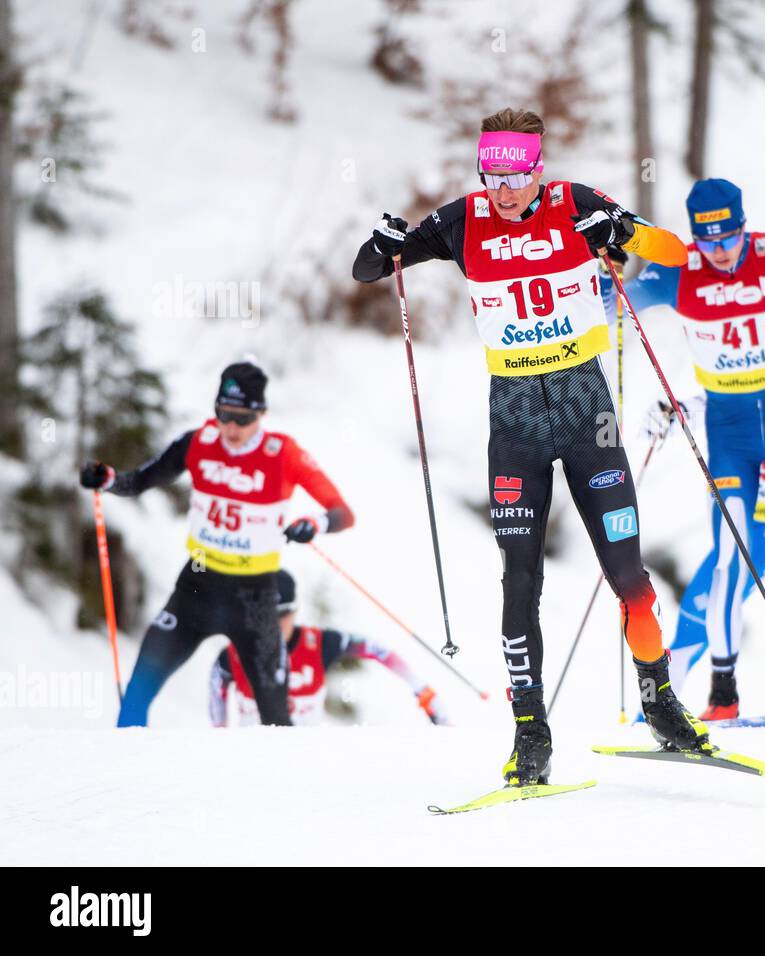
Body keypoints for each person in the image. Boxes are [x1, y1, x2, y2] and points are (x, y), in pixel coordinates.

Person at [352, 107, 702, 785]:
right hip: (513, 425)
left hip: (588, 415)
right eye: (492, 174)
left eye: (515, 176)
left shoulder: (576, 203)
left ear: (538, 170)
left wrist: (624, 230)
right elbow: (372, 268)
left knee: (628, 576)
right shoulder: (462, 219)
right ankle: (530, 732)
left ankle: (659, 703)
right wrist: (380, 243)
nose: (503, 190)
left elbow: (675, 253)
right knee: (519, 583)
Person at [609, 179, 765, 719]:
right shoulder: (678, 268)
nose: (720, 249)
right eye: (708, 238)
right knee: (729, 554)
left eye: (729, 235)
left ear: (744, 226)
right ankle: (723, 693)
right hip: (730, 431)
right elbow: (613, 307)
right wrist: (603, 261)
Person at [79, 361, 355, 726]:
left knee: (275, 717)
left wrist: (315, 524)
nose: (231, 428)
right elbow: (140, 481)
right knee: (138, 690)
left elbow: (343, 513)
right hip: (197, 585)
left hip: (255, 598)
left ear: (261, 414)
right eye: (224, 415)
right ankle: (122, 772)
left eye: (242, 419)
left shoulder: (282, 453)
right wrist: (106, 478)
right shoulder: (199, 442)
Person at [209, 570, 442, 726]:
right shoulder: (234, 653)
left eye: (281, 614)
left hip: (306, 754)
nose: (273, 624)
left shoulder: (320, 644)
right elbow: (216, 694)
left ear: (295, 611)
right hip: (254, 757)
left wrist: (418, 686)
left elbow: (378, 651)